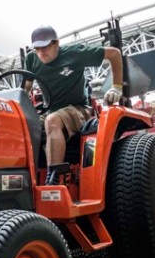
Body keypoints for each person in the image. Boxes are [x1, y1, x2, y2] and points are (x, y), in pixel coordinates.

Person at [23, 25, 124, 184]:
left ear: (56, 43)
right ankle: (27, 176)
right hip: (50, 110)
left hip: (79, 108)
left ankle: (53, 179)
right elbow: (25, 88)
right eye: (37, 49)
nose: (41, 53)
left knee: (52, 121)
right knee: (22, 124)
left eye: (46, 47)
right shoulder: (31, 59)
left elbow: (114, 54)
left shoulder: (74, 54)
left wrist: (116, 87)